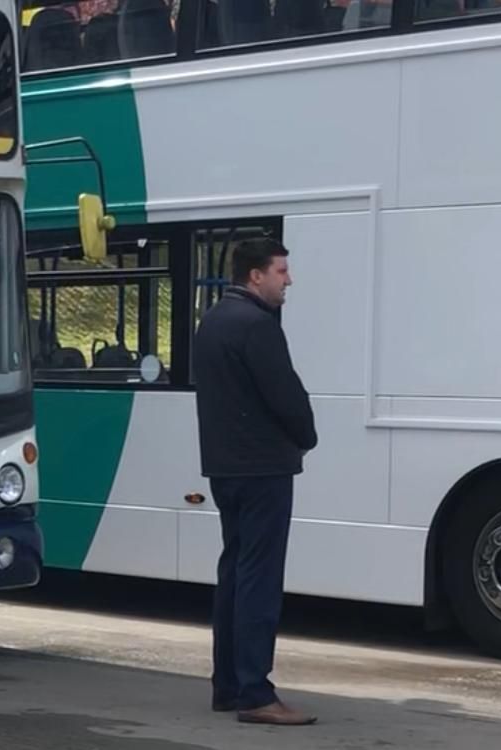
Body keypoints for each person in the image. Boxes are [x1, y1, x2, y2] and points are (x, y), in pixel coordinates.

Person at [193, 237, 318, 725]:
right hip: (263, 468)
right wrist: (306, 436)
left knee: (234, 574)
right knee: (260, 581)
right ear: (255, 275)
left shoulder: (212, 322)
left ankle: (227, 685)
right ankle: (255, 693)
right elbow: (285, 395)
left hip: (225, 468)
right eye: (281, 271)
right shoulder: (258, 325)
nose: (289, 280)